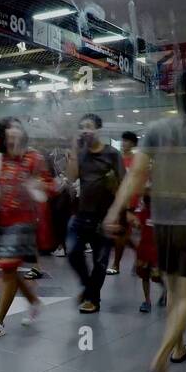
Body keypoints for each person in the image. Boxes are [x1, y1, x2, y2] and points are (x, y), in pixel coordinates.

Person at [105, 70, 186, 372]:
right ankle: (160, 359)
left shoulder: (157, 130)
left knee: (174, 291)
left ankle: (178, 347)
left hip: (163, 224)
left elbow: (134, 178)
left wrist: (114, 210)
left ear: (175, 96)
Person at [0, 118, 56, 339]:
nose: (12, 136)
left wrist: (38, 187)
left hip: (23, 221)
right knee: (8, 268)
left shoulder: (34, 158)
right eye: (8, 133)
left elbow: (50, 185)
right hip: (2, 220)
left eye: (16, 131)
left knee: (9, 268)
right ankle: (33, 301)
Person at [65, 113, 124, 314]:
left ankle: (93, 299)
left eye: (89, 126)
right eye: (82, 127)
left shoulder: (112, 154)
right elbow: (71, 177)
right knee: (72, 252)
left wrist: (112, 186)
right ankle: (88, 287)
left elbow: (124, 187)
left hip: (104, 218)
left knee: (100, 262)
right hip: (81, 214)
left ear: (99, 130)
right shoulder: (80, 154)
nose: (85, 130)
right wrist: (74, 149)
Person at [107, 131, 139, 275]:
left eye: (127, 141)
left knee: (121, 232)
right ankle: (140, 254)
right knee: (123, 233)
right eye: (123, 140)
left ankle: (116, 264)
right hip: (115, 198)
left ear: (133, 144)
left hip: (129, 200)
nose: (124, 143)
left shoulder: (136, 160)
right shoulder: (116, 158)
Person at [131, 188, 166, 313]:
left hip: (156, 251)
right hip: (144, 250)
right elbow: (137, 226)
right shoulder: (143, 213)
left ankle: (165, 290)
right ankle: (147, 300)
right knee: (144, 276)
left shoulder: (162, 215)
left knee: (156, 277)